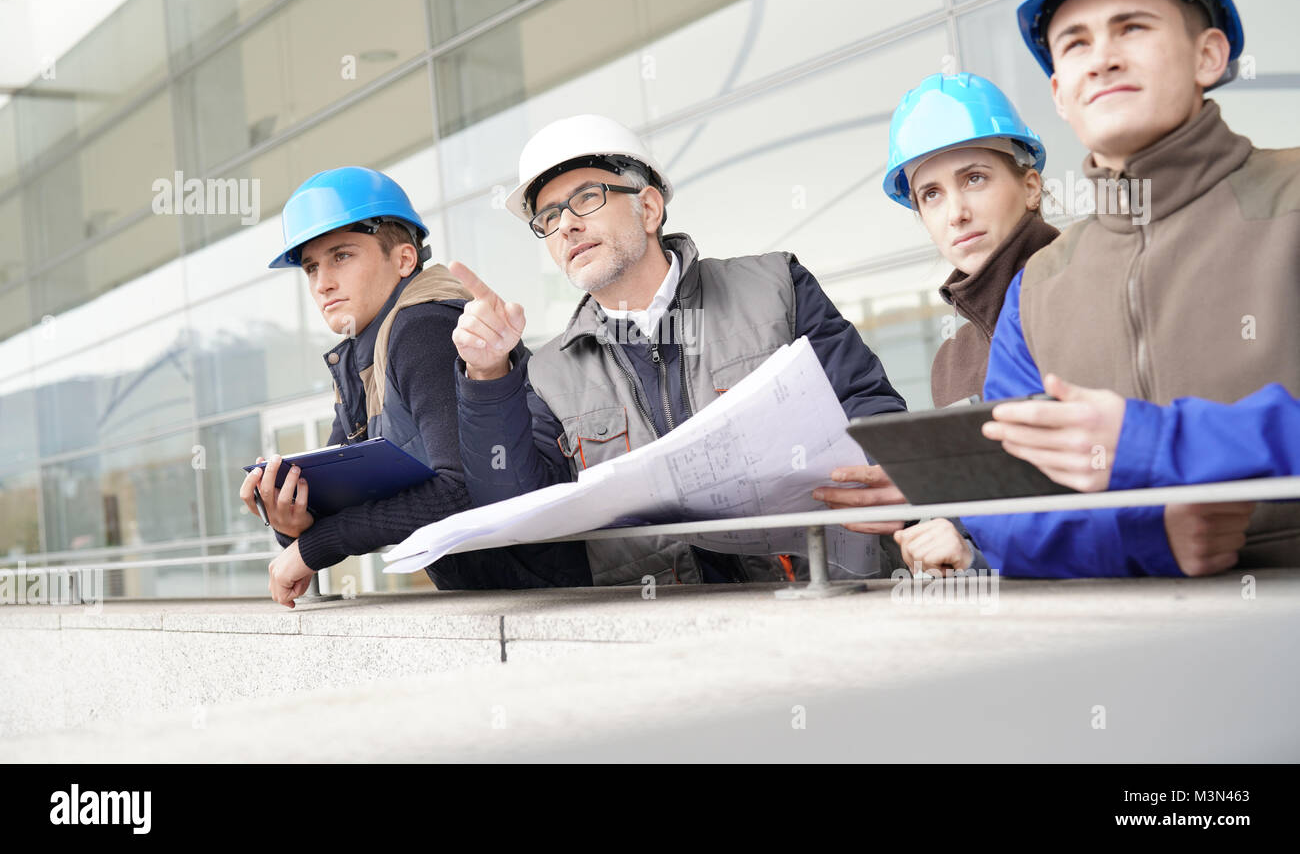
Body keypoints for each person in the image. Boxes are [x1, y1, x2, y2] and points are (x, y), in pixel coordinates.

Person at [962, 0, 1300, 576]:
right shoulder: (1038, 287)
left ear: (1209, 54)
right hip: (1138, 662)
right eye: (1076, 43)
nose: (1103, 58)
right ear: (1060, 93)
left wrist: (1158, 444)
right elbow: (995, 507)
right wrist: (1145, 536)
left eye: (1133, 28)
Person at [449, 114, 907, 587]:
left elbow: (869, 411)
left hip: (828, 600)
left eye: (586, 198)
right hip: (670, 631)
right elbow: (519, 515)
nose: (565, 225)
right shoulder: (548, 374)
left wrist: (887, 488)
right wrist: (489, 377)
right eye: (547, 217)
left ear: (648, 208)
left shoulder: (776, 288)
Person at [239, 166, 518, 607]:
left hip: (546, 590)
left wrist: (312, 548)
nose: (322, 282)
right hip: (494, 596)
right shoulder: (360, 357)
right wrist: (289, 514)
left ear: (404, 259)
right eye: (311, 267)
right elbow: (340, 504)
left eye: (341, 256)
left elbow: (464, 491)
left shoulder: (423, 327)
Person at [813, 73, 1059, 573]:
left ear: (1030, 187)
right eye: (931, 195)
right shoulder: (954, 360)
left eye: (975, 179)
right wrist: (955, 543)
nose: (957, 213)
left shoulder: (1085, 295)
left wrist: (978, 552)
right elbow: (991, 509)